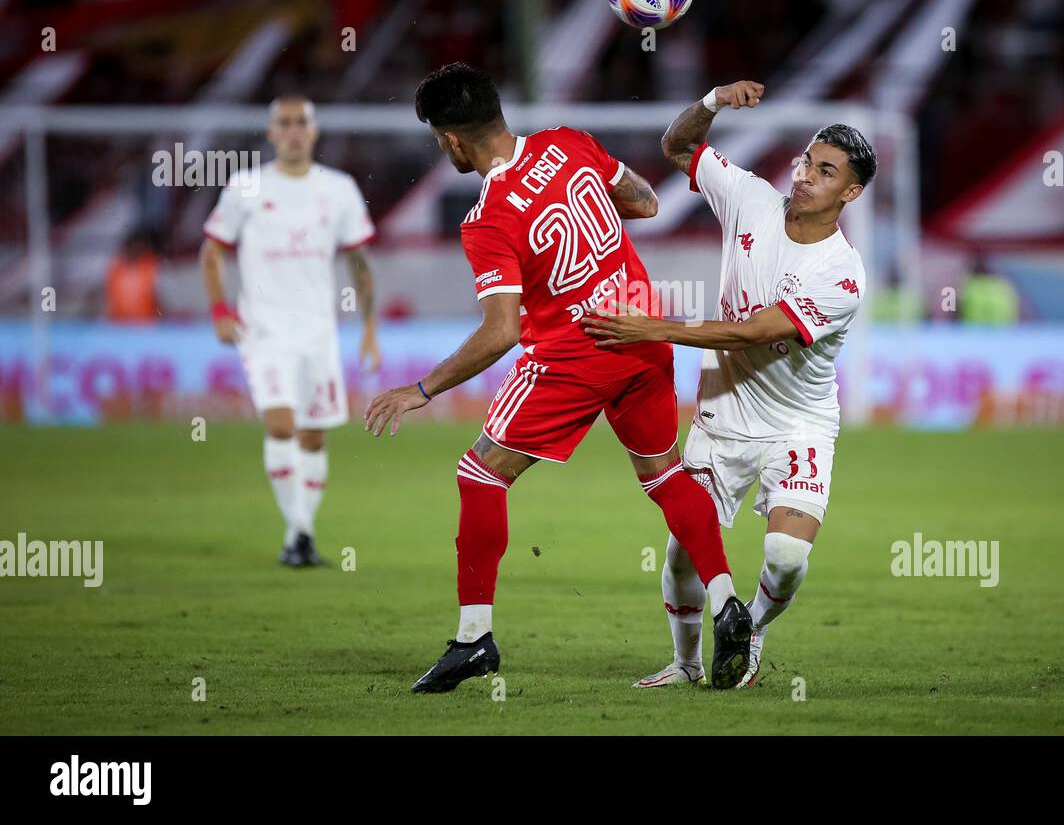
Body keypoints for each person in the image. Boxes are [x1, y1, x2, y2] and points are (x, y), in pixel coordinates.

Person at [362, 62, 752, 693]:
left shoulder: (487, 216)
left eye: (439, 138)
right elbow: (646, 203)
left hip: (575, 356)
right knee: (666, 473)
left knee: (480, 471)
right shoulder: (568, 141)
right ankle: (729, 599)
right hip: (643, 333)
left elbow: (501, 331)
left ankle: (473, 640)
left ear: (453, 140)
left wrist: (422, 388)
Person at [583, 80, 873, 688]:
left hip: (799, 424)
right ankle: (687, 664)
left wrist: (650, 330)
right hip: (724, 414)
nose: (804, 176)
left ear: (850, 192)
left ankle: (751, 626)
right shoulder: (749, 198)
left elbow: (749, 333)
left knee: (787, 558)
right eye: (804, 161)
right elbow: (678, 146)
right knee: (683, 551)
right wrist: (712, 102)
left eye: (824, 171)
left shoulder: (841, 274)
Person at [200, 96, 381, 567]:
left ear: (314, 131)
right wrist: (220, 309)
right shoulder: (245, 188)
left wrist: (369, 328)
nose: (295, 130)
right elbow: (211, 251)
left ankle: (297, 534)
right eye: (285, 123)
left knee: (315, 437)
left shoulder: (338, 189)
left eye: (303, 122)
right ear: (271, 132)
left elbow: (359, 262)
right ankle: (299, 535)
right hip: (263, 330)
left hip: (319, 333)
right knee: (282, 424)